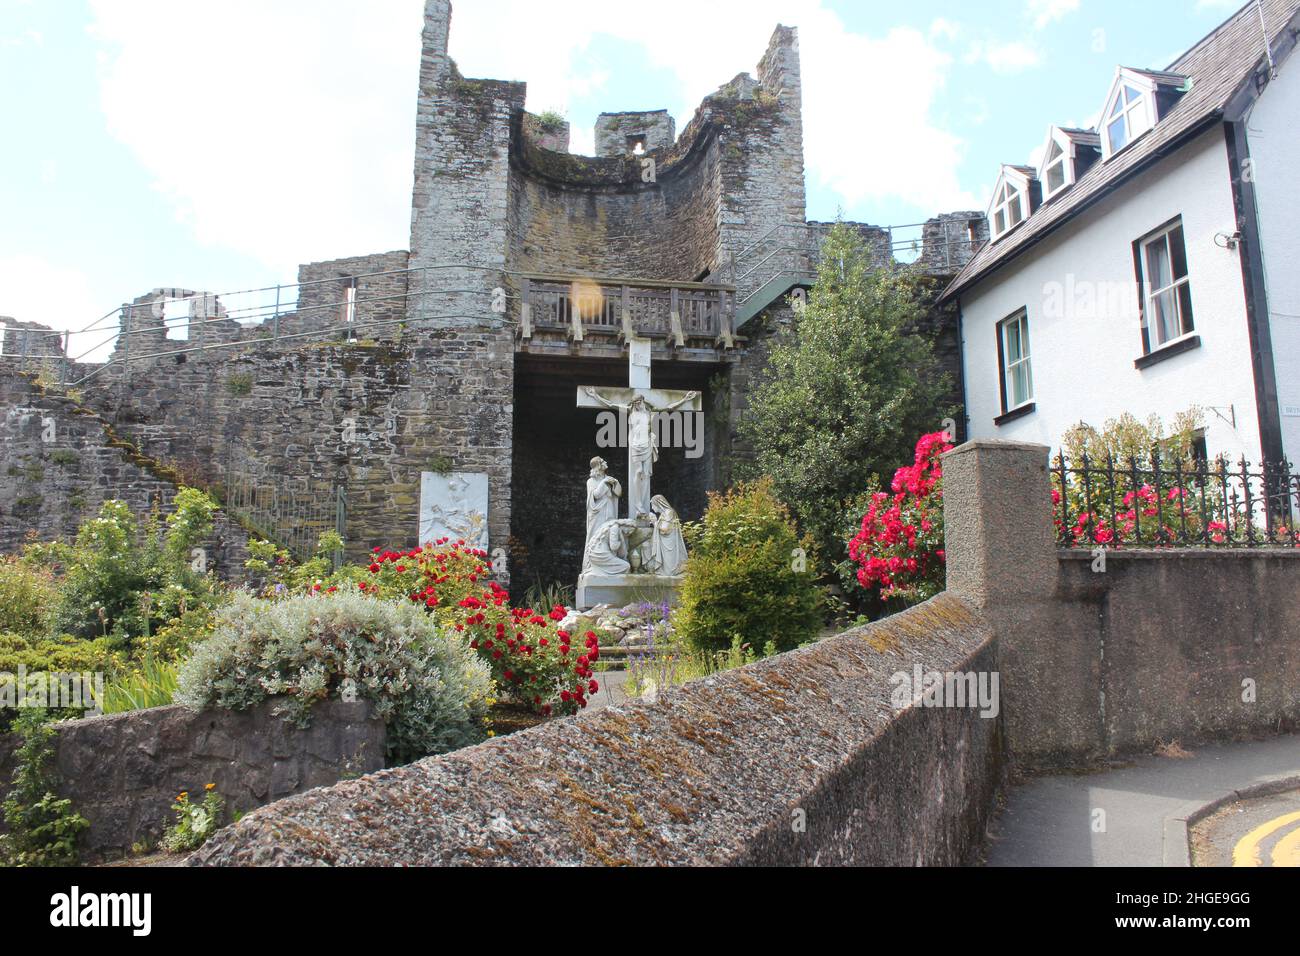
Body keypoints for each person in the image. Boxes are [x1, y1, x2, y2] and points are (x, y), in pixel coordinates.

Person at [585, 456, 622, 547]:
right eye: (602, 461)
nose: (605, 462)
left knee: (609, 531)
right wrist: (604, 482)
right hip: (598, 512)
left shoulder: (609, 479)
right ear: (598, 466)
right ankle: (594, 552)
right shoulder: (591, 481)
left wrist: (616, 483)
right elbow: (596, 495)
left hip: (609, 508)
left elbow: (618, 493)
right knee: (595, 533)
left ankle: (607, 552)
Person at [649, 495, 687, 576]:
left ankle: (671, 571)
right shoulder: (664, 513)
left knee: (669, 569)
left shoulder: (669, 512)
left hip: (669, 542)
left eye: (653, 505)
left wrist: (654, 522)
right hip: (665, 541)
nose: (652, 508)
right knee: (667, 566)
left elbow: (665, 529)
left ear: (658, 503)